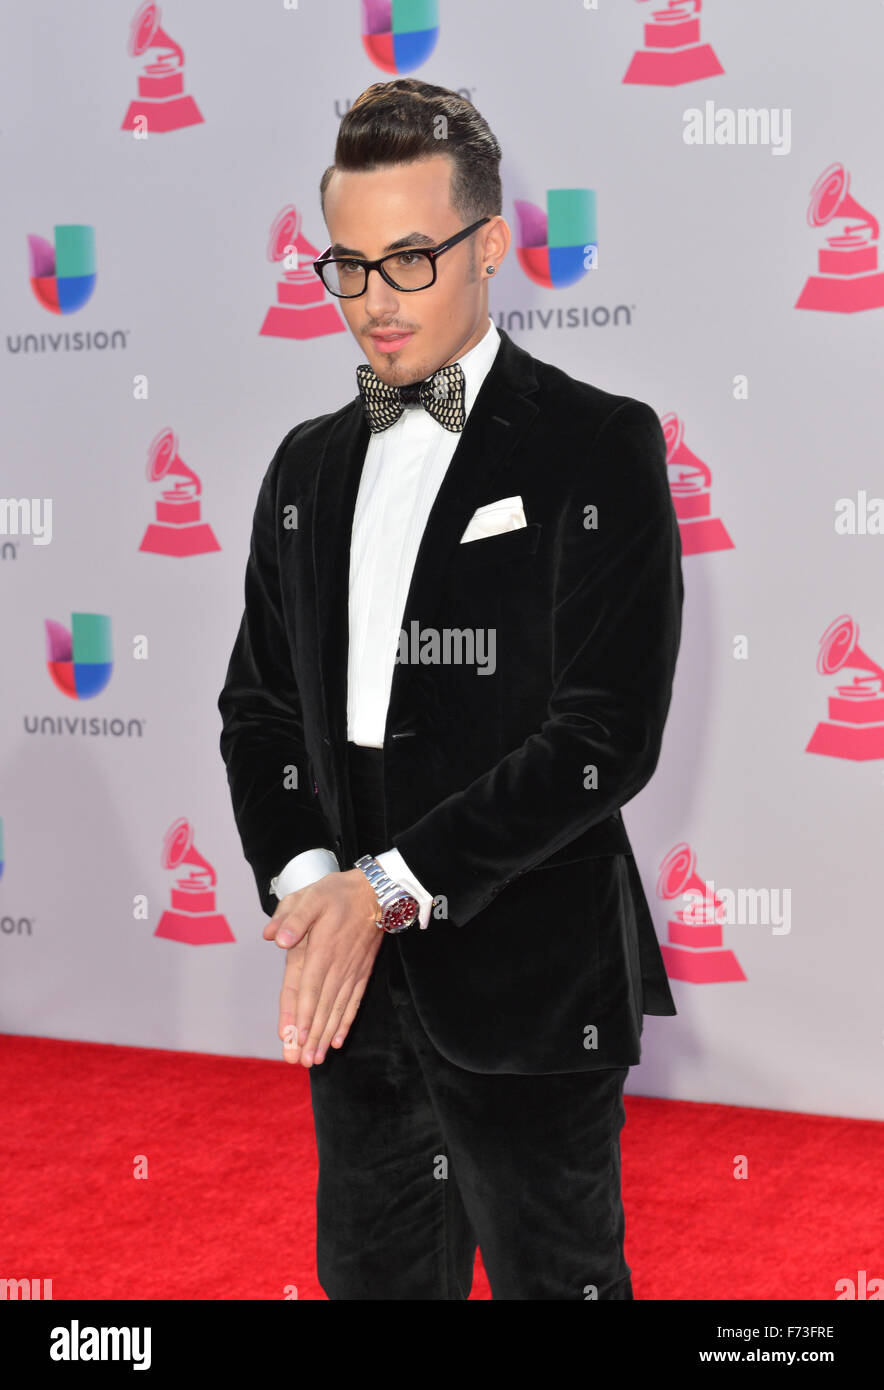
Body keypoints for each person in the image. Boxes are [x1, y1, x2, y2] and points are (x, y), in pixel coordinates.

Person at [218, 77, 683, 1301]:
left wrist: (389, 890)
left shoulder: (598, 443)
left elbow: (604, 734)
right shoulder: (304, 467)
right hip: (353, 991)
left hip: (529, 983)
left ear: (490, 247)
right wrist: (319, 889)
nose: (374, 301)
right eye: (349, 265)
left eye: (411, 259)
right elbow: (257, 707)